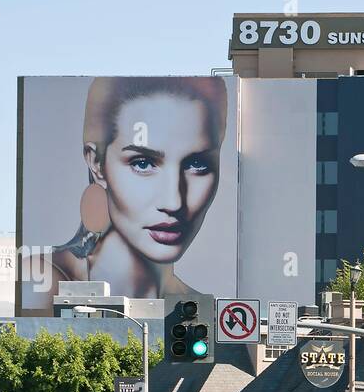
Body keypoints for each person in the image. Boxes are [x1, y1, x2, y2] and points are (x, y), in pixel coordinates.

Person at [46, 76, 231, 301]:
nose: (174, 202)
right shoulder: (48, 280)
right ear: (97, 164)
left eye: (197, 164)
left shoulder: (200, 307)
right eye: (142, 164)